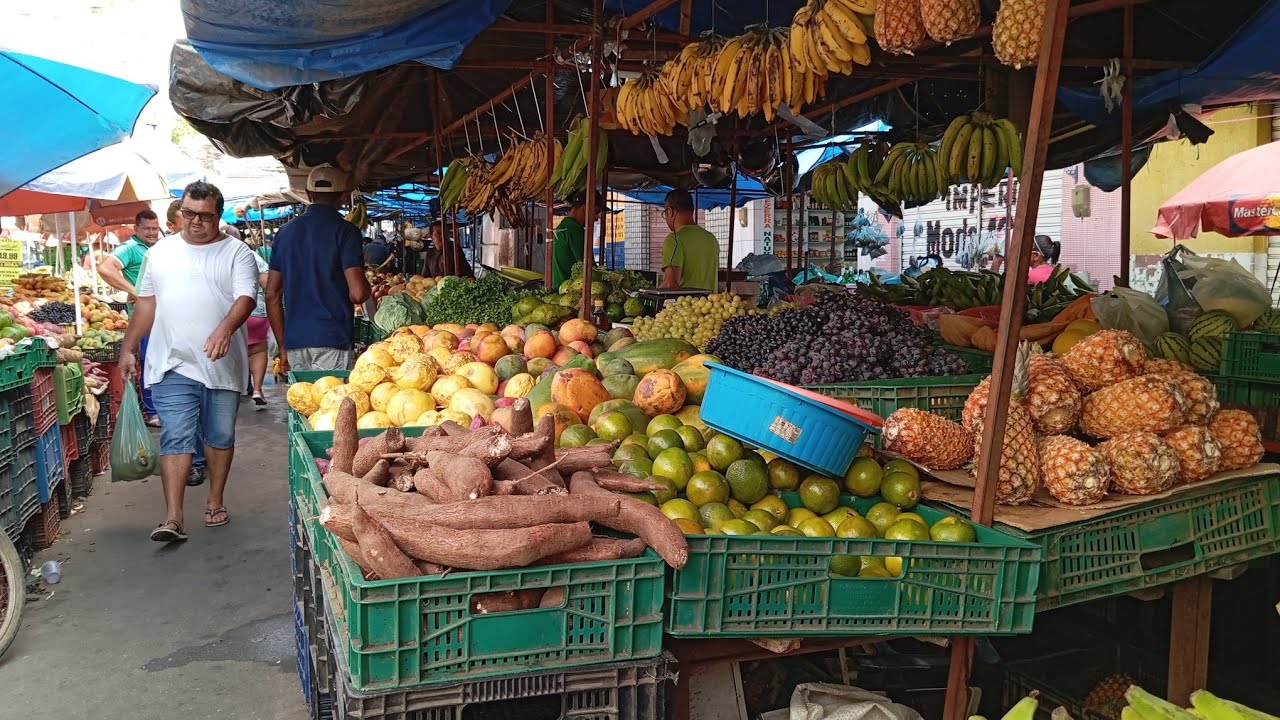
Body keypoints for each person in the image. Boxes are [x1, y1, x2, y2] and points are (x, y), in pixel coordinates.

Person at [119, 181, 260, 542]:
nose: (196, 221)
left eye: (206, 216)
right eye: (189, 213)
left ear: (218, 215)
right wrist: (129, 347)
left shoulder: (236, 253)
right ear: (180, 212)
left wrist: (225, 329)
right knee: (176, 434)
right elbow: (146, 303)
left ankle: (214, 501)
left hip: (222, 362)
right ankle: (173, 517)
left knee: (220, 435)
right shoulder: (160, 253)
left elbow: (245, 297)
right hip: (172, 361)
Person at [267, 165, 371, 374]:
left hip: (296, 339)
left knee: (305, 402)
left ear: (308, 194)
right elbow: (358, 293)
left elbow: (271, 294)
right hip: (333, 337)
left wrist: (282, 345)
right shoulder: (346, 232)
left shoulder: (285, 232)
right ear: (342, 197)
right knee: (331, 402)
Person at [97, 210, 162, 427]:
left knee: (159, 362)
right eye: (147, 229)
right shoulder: (131, 248)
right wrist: (135, 291)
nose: (152, 233)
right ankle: (153, 412)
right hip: (145, 319)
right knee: (150, 362)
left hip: (161, 317)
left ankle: (160, 408)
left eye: (155, 228)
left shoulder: (156, 248)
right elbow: (105, 268)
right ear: (136, 229)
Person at [659, 189, 720, 292]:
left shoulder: (674, 240)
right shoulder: (711, 238)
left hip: (687, 306)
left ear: (670, 211)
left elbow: (670, 284)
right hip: (711, 305)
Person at [551, 191, 608, 289]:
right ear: (586, 207)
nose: (597, 218)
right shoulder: (575, 230)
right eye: (596, 212)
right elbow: (589, 268)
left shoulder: (563, 226)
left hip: (560, 288)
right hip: (572, 292)